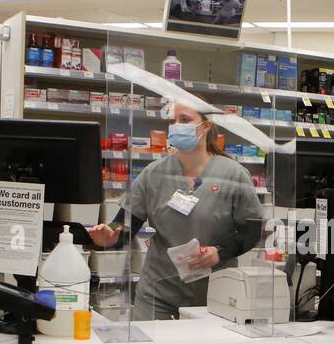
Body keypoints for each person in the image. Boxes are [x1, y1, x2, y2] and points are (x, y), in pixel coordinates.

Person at [88, 101, 263, 320]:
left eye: (185, 120)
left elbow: (252, 231)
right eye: (172, 121)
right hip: (158, 293)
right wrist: (109, 235)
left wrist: (219, 252)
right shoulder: (155, 174)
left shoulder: (232, 174)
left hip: (215, 295)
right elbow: (124, 226)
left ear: (206, 126)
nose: (176, 126)